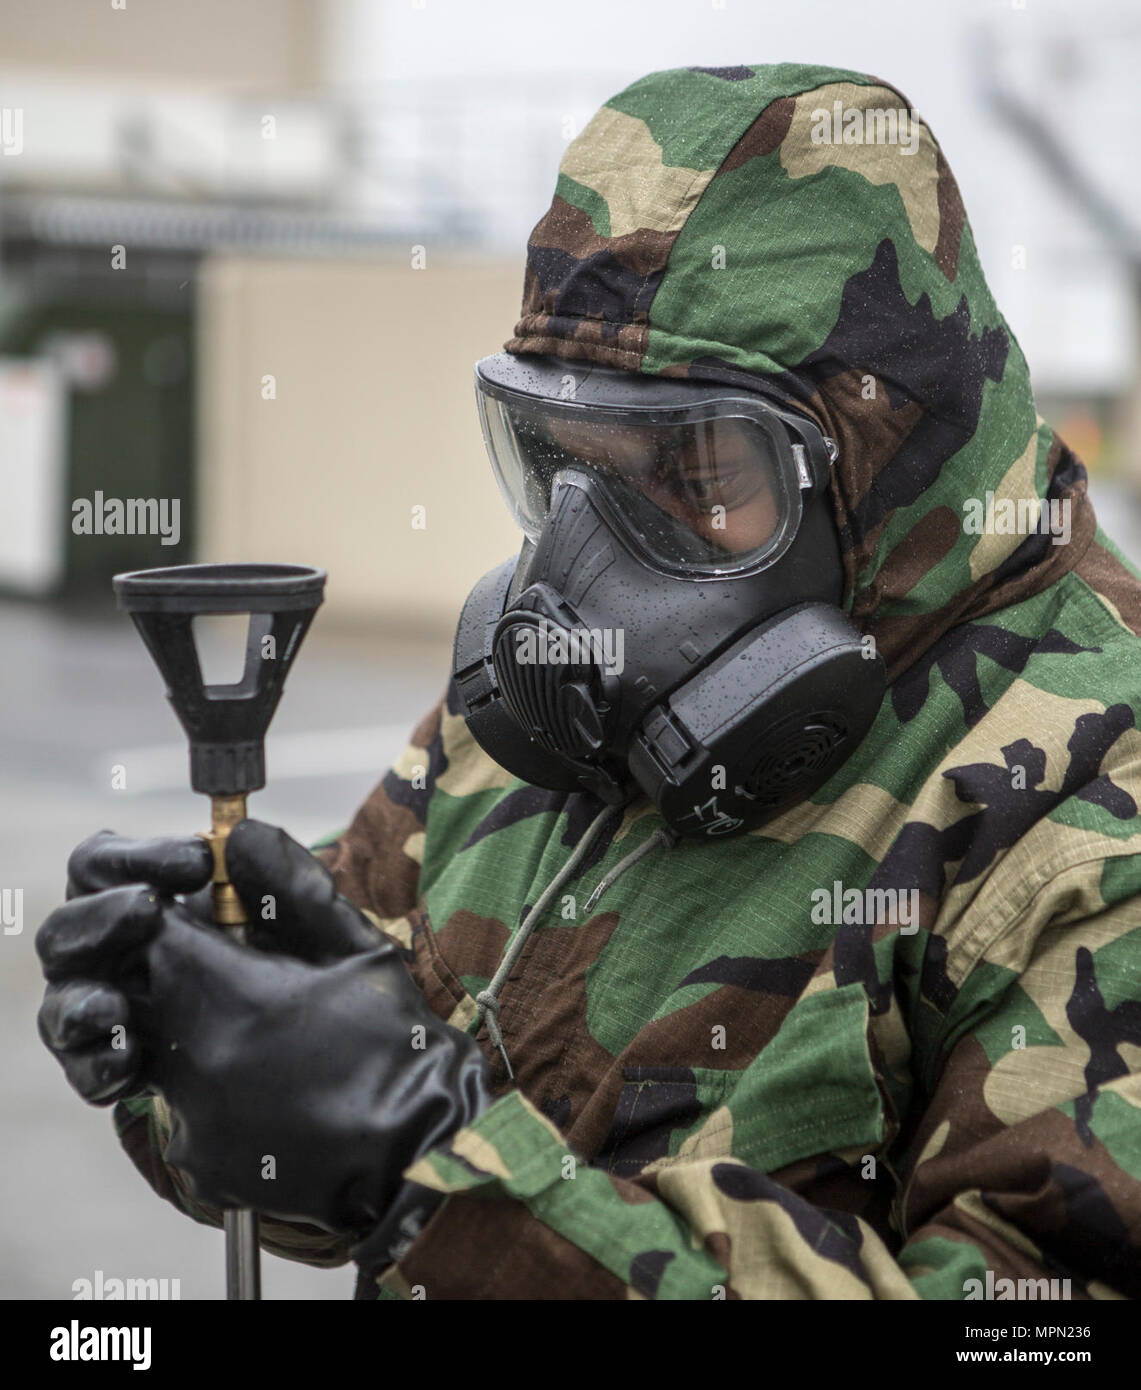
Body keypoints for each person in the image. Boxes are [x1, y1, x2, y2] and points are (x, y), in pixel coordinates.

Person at [36, 63, 1141, 1300]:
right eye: (562, 461)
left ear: (877, 470)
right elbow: (337, 1190)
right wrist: (225, 1056)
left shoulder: (1091, 803)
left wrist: (434, 1172)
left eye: (696, 474)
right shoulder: (518, 728)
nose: (590, 571)